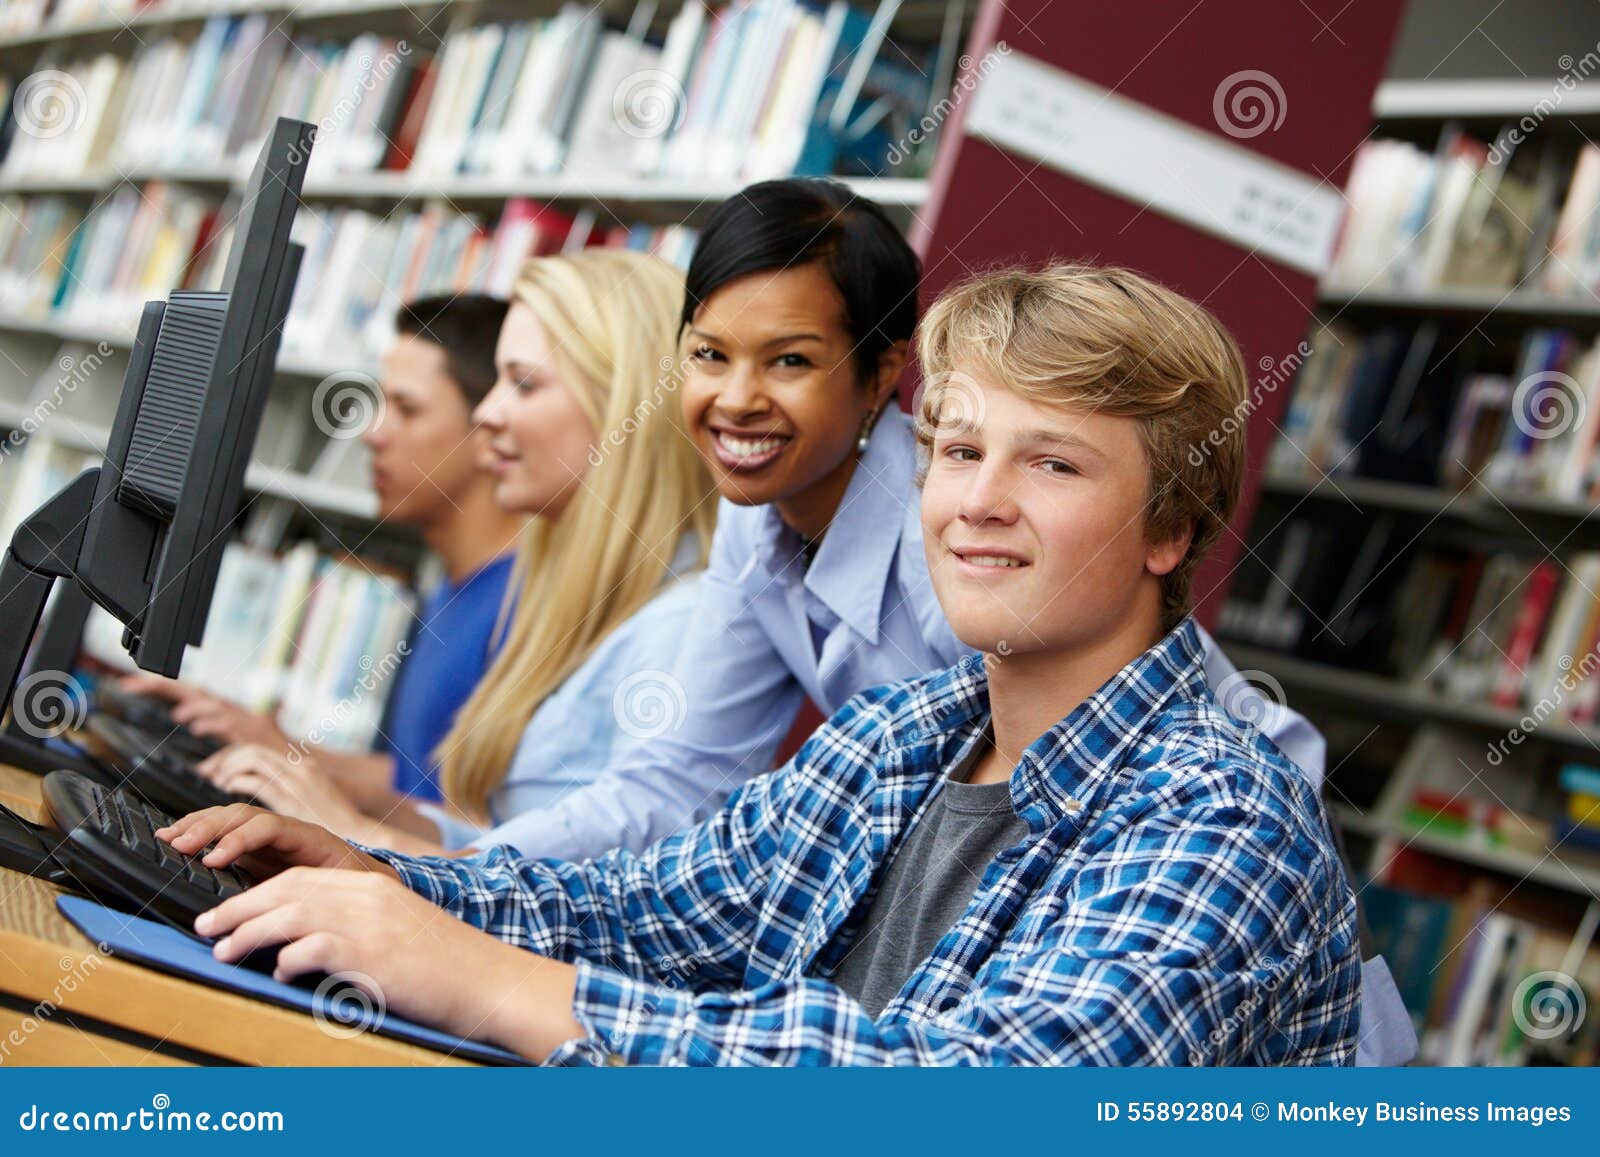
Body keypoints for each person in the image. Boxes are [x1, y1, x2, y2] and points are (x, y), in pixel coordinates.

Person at [160, 264, 1361, 1065]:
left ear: (1167, 529)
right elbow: (663, 906)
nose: (976, 503)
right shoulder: (906, 733)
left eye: (1052, 465)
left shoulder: (1224, 815)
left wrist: (500, 987)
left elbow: (972, 1095)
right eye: (956, 450)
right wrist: (390, 881)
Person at [449, 178, 1324, 862]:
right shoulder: (759, 521)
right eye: (709, 356)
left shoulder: (966, 537)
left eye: (789, 360)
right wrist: (451, 874)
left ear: (881, 377)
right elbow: (683, 776)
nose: (737, 399)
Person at [169, 251, 717, 855]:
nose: (489, 413)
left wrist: (352, 833)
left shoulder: (677, 630)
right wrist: (318, 805)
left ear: (624, 407)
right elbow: (497, 842)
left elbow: (593, 906)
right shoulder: (573, 601)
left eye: (525, 383)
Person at [123, 293, 523, 811]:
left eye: (406, 409)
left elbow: (472, 833)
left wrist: (287, 759)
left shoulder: (524, 612)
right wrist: (262, 739)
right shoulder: (451, 586)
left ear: (489, 426)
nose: (373, 434)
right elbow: (415, 780)